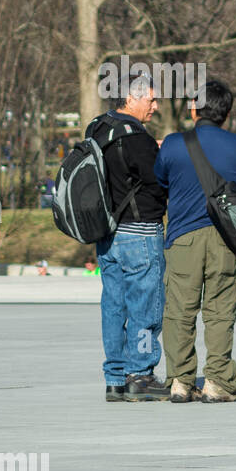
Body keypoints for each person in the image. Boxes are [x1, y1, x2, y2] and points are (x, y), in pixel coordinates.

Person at [154, 78, 236, 403]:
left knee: (179, 311)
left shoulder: (172, 144)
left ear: (194, 108)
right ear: (226, 112)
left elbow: (160, 180)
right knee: (220, 310)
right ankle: (219, 382)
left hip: (183, 237)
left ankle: (181, 381)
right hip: (226, 238)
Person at [90, 73, 169, 403]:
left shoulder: (97, 127)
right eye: (150, 99)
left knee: (114, 305)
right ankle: (142, 375)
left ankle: (116, 379)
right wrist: (160, 155)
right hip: (140, 231)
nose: (156, 105)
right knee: (145, 307)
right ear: (131, 98)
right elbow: (157, 180)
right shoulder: (136, 137)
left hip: (107, 234)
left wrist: (153, 149)